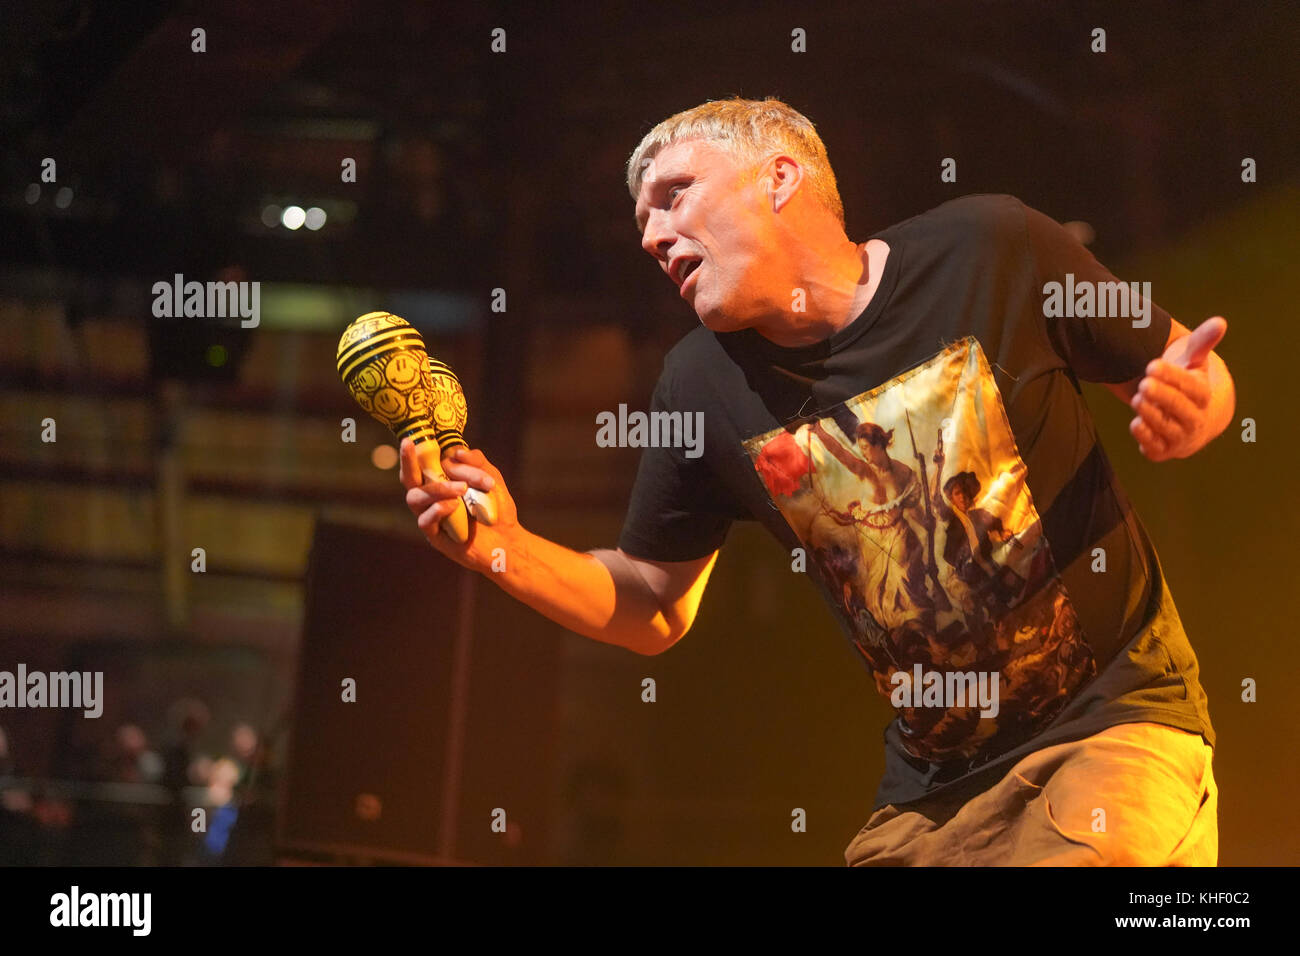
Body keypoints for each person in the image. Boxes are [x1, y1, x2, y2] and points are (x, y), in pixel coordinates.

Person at [399, 97, 1234, 865]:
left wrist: (1193, 406)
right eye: (643, 222)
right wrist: (502, 549)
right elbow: (653, 603)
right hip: (933, 796)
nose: (653, 235)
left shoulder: (991, 246)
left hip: (1111, 729)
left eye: (675, 194)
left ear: (780, 178)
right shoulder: (702, 384)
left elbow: (1193, 371)